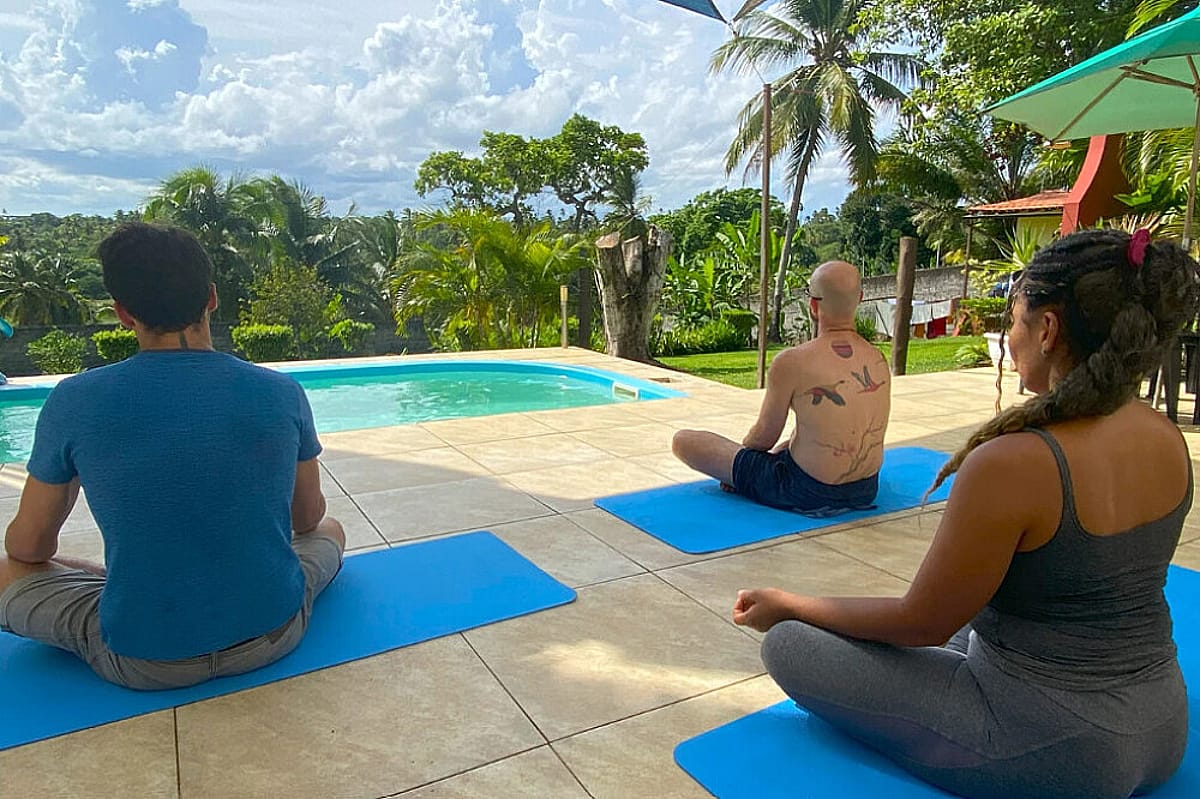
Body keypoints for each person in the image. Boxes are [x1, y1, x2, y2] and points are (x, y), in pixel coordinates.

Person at [733, 229, 1196, 799]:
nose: (1009, 334)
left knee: (789, 645)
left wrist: (788, 603)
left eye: (1016, 316)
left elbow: (921, 622)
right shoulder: (1167, 437)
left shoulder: (1017, 461)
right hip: (1164, 725)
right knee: (972, 616)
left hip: (1064, 750)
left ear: (1048, 329)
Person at [0, 222, 345, 691]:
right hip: (275, 633)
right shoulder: (281, 392)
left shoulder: (75, 401)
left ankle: (127, 581)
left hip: (143, 660)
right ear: (212, 297)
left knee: (8, 570)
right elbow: (309, 518)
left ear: (123, 313)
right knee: (332, 530)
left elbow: (29, 548)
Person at [672, 260, 890, 515]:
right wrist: (778, 453)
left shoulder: (792, 361)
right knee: (807, 434)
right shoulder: (877, 359)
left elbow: (762, 438)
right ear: (859, 299)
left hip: (806, 490)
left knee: (683, 441)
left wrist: (743, 465)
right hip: (865, 489)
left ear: (813, 305)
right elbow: (824, 426)